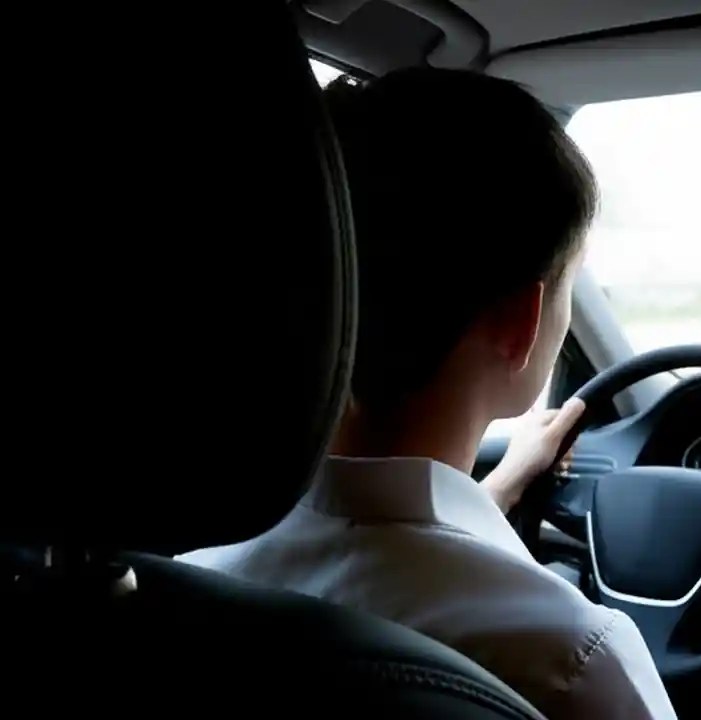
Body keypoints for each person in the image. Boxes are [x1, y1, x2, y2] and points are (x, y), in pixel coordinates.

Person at [180, 68, 675, 719]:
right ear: (520, 324)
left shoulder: (184, 578)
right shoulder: (575, 658)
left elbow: (376, 555)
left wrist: (495, 490)